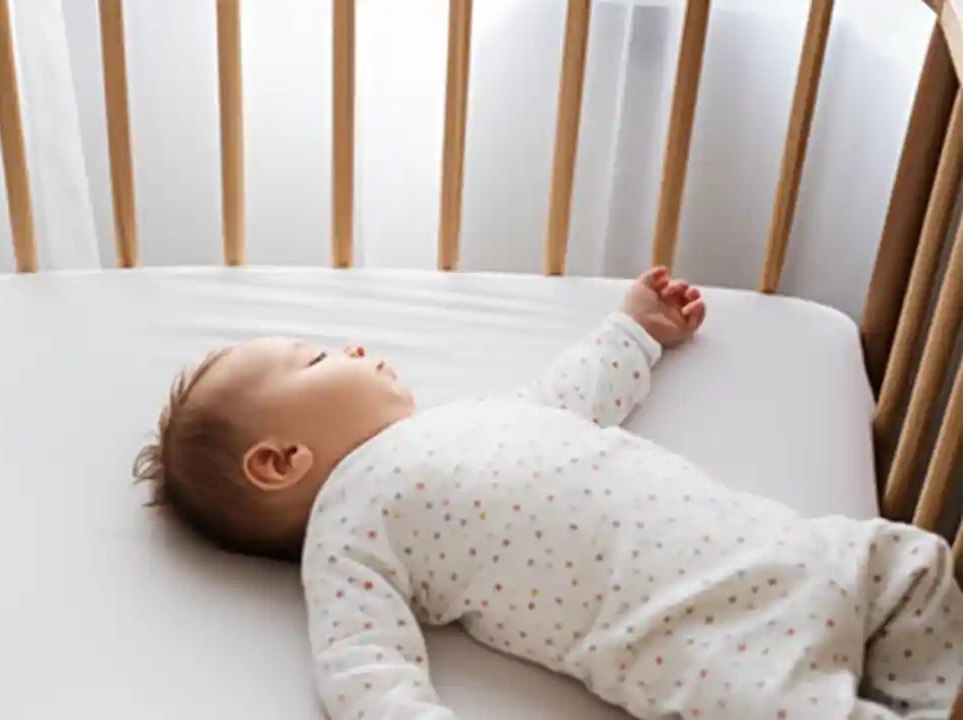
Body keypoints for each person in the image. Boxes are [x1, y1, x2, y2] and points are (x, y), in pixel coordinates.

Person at [134, 267, 963, 719]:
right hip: (688, 638)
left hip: (776, 546)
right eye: (318, 360)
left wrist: (633, 328)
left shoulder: (480, 417)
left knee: (916, 566)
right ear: (280, 461)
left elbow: (573, 393)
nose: (352, 346)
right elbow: (363, 666)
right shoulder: (349, 527)